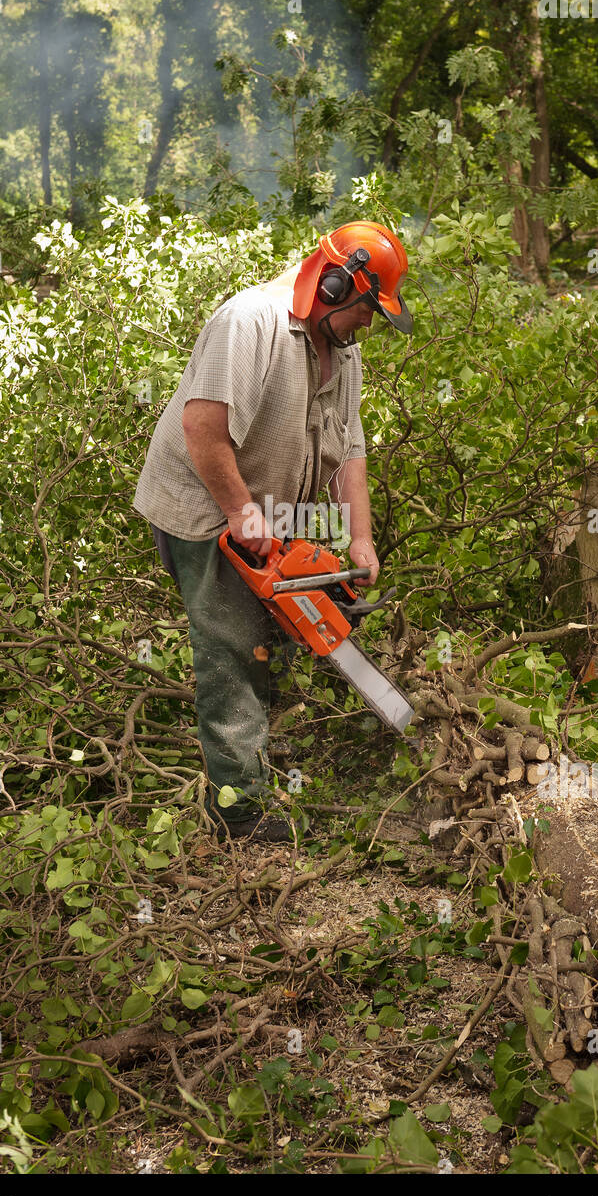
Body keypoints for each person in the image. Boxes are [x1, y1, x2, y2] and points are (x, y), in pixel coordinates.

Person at [133, 221, 412, 842]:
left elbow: (350, 450)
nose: (369, 324)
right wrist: (240, 511)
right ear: (337, 285)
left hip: (272, 510)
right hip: (206, 509)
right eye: (369, 309)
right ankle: (238, 813)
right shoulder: (249, 322)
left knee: (278, 632)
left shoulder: (341, 349)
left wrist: (360, 540)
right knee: (233, 648)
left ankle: (253, 758)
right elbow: (202, 430)